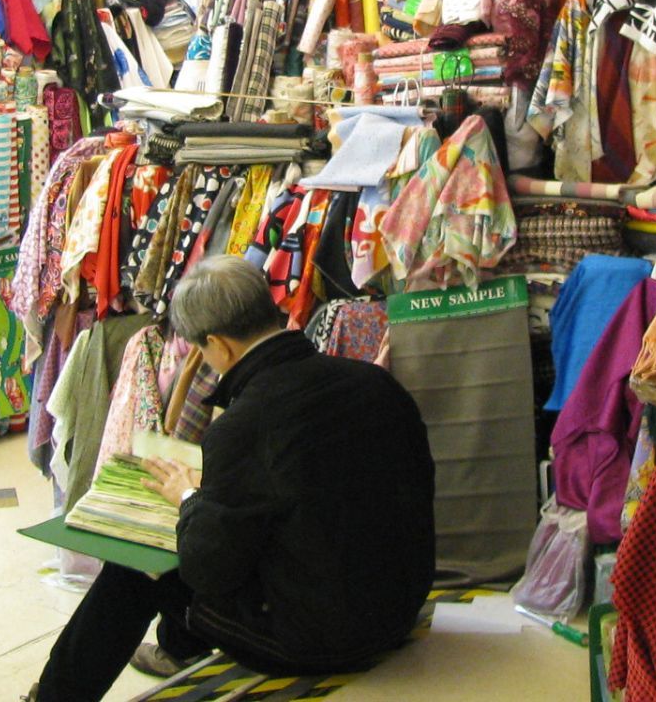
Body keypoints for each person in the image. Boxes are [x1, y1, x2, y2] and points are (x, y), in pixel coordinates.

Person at [32, 256, 436, 701]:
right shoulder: (375, 383)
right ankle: (178, 648)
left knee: (136, 565)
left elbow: (208, 570)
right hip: (398, 610)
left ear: (218, 345)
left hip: (323, 641)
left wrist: (189, 496)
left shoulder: (243, 425)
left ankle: (56, 697)